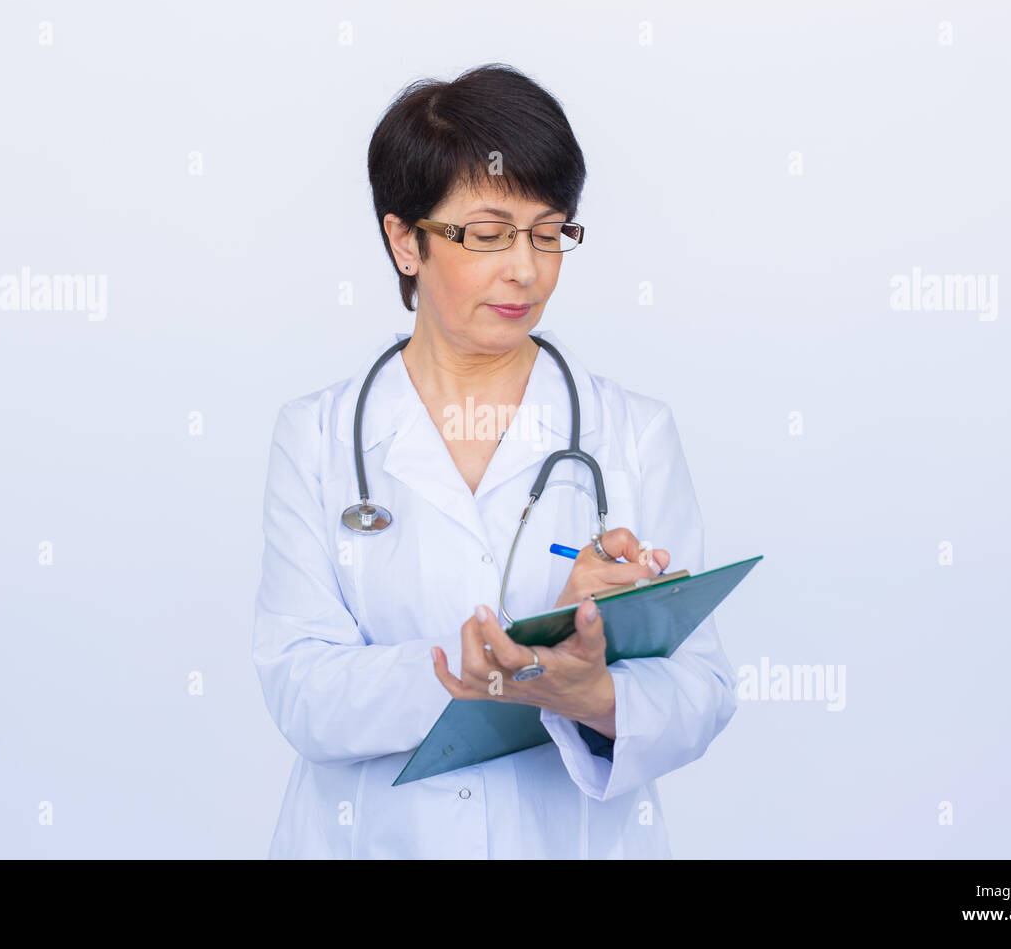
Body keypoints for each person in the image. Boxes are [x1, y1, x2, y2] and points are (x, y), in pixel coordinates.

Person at [251, 63, 737, 858]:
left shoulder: (634, 433)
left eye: (549, 233)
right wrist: (493, 668)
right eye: (488, 235)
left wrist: (596, 692)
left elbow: (703, 691)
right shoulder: (316, 436)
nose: (527, 268)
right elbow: (302, 690)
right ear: (404, 240)